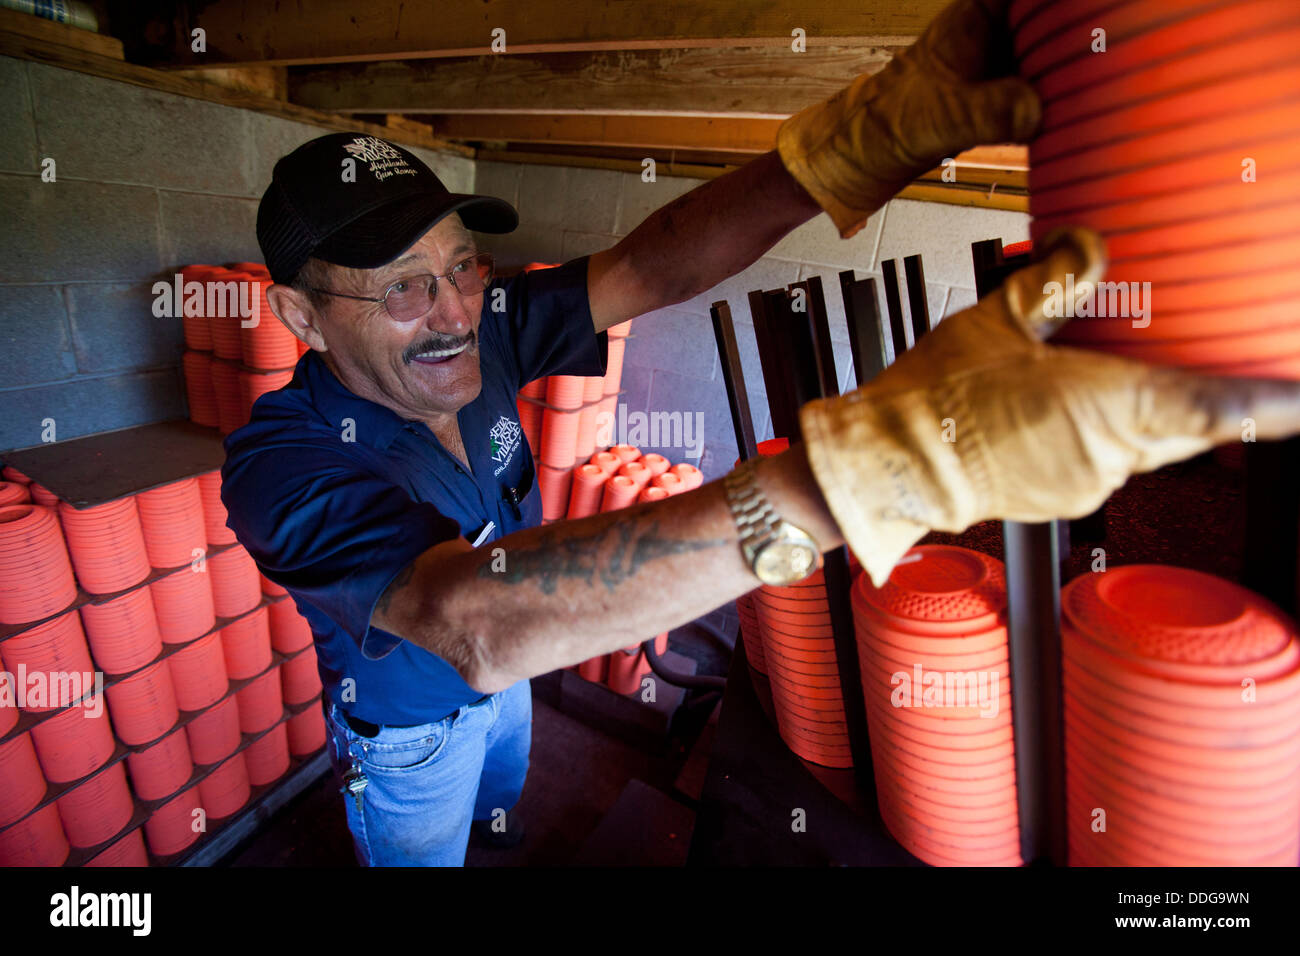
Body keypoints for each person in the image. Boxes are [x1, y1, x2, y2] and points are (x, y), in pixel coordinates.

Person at [220, 0, 1300, 866]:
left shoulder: (491, 332)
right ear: (303, 316)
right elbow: (471, 621)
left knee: (501, 817)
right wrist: (891, 465)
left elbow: (656, 258)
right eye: (406, 286)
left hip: (505, 700)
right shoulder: (279, 461)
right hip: (410, 727)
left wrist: (843, 152)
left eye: (462, 265)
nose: (454, 308)